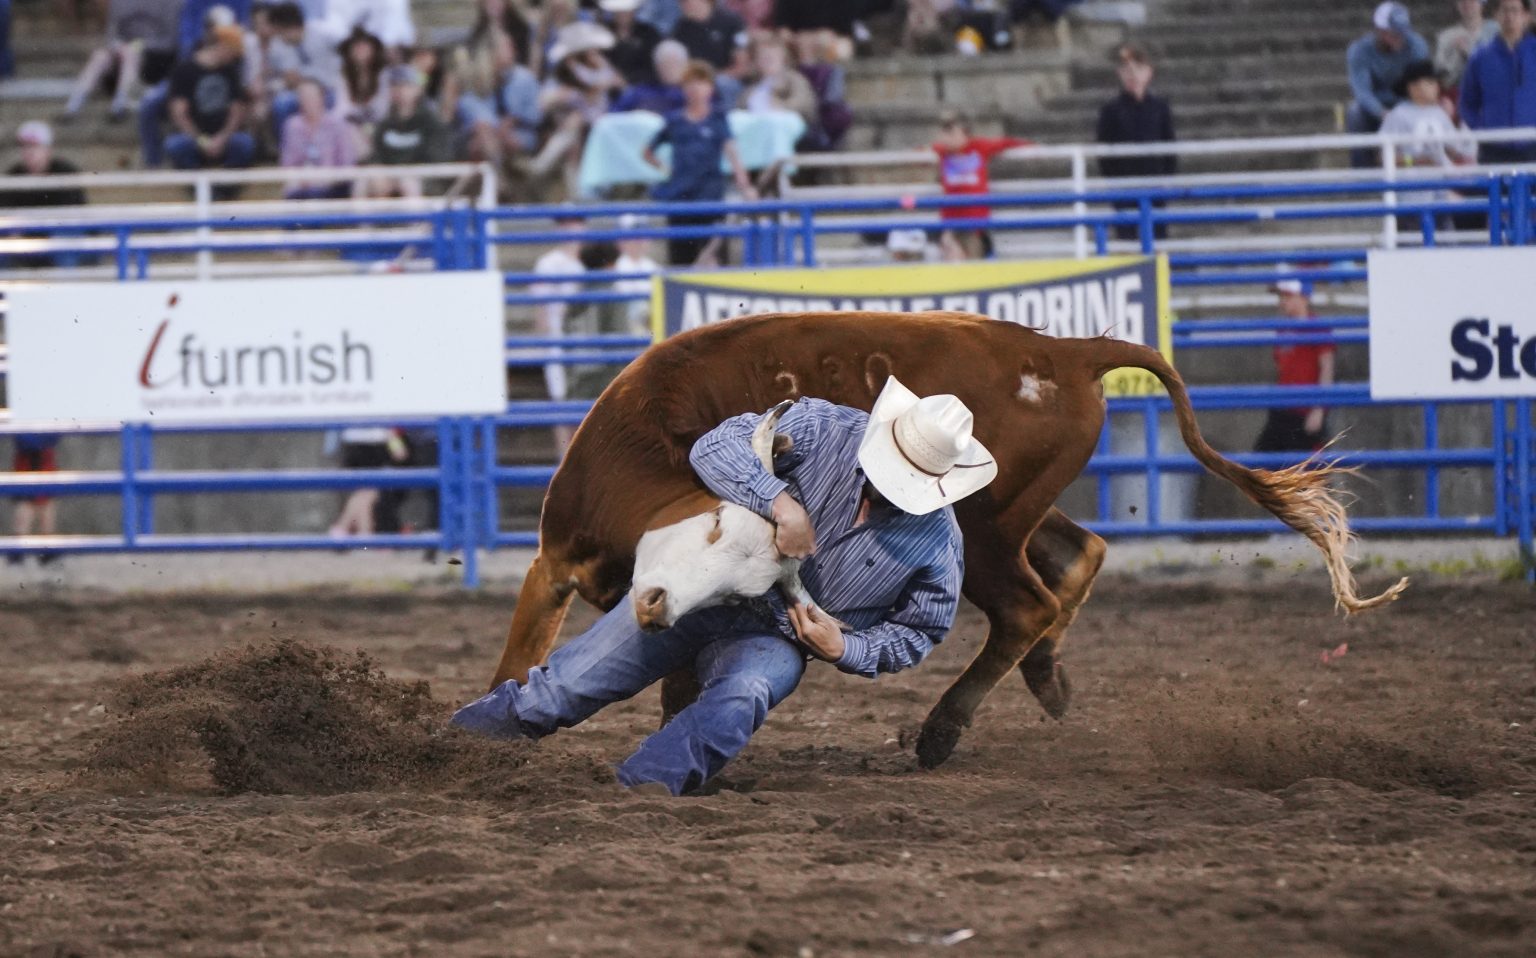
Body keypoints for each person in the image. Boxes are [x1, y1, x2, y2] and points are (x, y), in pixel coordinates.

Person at [451, 378, 996, 796]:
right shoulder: (825, 428)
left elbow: (919, 631)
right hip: (706, 585)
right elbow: (716, 447)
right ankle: (445, 747)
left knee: (743, 694)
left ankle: (639, 791)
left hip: (778, 637)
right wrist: (780, 503)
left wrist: (847, 648)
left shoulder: (937, 542)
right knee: (566, 686)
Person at [644, 59, 757, 266]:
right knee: (681, 261)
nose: (696, 88)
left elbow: (732, 152)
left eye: (701, 82)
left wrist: (745, 186)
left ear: (710, 88)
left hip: (710, 197)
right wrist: (667, 171)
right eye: (691, 83)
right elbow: (648, 152)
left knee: (714, 257)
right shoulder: (674, 121)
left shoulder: (718, 119)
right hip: (680, 199)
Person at [1095, 42, 1176, 241]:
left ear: (1149, 72)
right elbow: (1104, 151)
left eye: (1138, 69)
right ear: (1119, 74)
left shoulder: (1159, 108)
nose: (1132, 75)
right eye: (1126, 70)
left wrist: (1164, 178)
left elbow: (1170, 145)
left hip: (1154, 184)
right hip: (1124, 186)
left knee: (1158, 235)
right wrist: (1115, 182)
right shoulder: (1111, 110)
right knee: (1127, 238)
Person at [1380, 59, 1475, 219]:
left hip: (1441, 188)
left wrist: (1451, 152)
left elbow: (1454, 149)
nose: (1437, 87)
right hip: (1410, 192)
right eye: (1430, 83)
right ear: (1413, 88)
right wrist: (1415, 160)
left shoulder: (1439, 114)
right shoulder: (1398, 115)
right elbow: (1383, 156)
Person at [931, 110, 1028, 260]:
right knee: (952, 259)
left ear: (965, 133)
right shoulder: (941, 152)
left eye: (951, 132)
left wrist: (1033, 147)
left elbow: (1007, 143)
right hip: (950, 223)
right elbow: (921, 152)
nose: (946, 138)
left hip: (975, 223)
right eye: (945, 132)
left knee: (973, 261)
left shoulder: (979, 147)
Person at [61, 0, 180, 123]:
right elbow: (112, 33)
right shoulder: (118, 2)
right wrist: (116, 46)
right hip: (124, 52)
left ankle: (120, 106)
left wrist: (139, 45)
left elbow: (170, 40)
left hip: (157, 55)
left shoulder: (170, 3)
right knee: (100, 56)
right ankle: (72, 108)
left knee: (130, 54)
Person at [1254, 279, 1335, 454]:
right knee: (1262, 460)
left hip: (1305, 411)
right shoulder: (1283, 329)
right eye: (1281, 297)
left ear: (1304, 298)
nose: (1283, 301)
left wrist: (1319, 409)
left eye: (1288, 296)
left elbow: (1327, 368)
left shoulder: (1318, 327)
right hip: (1282, 408)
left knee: (1304, 464)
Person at [1346, 2, 1430, 167]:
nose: (1400, 37)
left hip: (1408, 104)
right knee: (1355, 112)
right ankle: (1362, 173)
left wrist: (1405, 111)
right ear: (1380, 30)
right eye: (1394, 33)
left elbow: (1422, 83)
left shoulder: (1416, 45)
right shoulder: (1359, 50)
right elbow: (1362, 91)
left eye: (1402, 31)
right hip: (1376, 107)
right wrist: (1381, 112)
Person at [163, 25, 257, 172]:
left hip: (225, 136)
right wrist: (201, 140)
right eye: (233, 52)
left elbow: (237, 111)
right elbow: (179, 113)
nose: (235, 58)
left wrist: (222, 138)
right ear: (222, 46)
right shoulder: (184, 70)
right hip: (194, 136)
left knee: (244, 143)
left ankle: (225, 185)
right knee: (176, 145)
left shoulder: (230, 71)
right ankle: (195, 182)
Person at [532, 214, 588, 452]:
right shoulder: (548, 263)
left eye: (575, 223)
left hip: (584, 344)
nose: (571, 229)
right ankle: (564, 463)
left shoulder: (588, 262)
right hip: (559, 343)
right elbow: (541, 312)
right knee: (562, 407)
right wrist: (544, 343)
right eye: (565, 224)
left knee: (583, 409)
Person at [1459, 0, 1536, 164]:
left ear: (1526, 16)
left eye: (1515, 10)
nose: (1510, 16)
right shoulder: (1481, 57)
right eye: (1505, 10)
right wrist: (1482, 130)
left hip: (1532, 144)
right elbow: (1467, 102)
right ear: (1496, 15)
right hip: (1493, 148)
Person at [4, 122, 89, 270]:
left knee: (65, 238)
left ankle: (64, 282)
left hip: (57, 236)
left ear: (48, 149)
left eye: (35, 146)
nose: (29, 152)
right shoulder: (13, 176)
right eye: (24, 147)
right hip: (25, 239)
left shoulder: (65, 172)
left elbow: (73, 215)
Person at [365, 63, 449, 196]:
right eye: (396, 85)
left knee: (408, 184)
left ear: (418, 89)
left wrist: (405, 173)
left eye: (407, 85)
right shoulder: (385, 124)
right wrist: (379, 170)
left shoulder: (431, 122)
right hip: (389, 177)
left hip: (424, 179)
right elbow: (375, 155)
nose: (401, 91)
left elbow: (438, 157)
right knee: (366, 182)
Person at [263, 1, 344, 137]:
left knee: (336, 103)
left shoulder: (323, 34)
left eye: (281, 32)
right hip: (298, 93)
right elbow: (290, 79)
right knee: (281, 105)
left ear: (292, 27)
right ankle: (287, 146)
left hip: (329, 90)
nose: (279, 36)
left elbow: (347, 53)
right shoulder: (279, 46)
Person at [279, 76, 357, 198]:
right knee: (292, 191)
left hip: (333, 185)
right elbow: (288, 164)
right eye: (303, 97)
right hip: (302, 185)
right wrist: (304, 178)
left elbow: (347, 164)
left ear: (322, 98)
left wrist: (325, 178)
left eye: (311, 96)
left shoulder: (338, 124)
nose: (308, 101)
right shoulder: (292, 125)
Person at [670, 0, 747, 107]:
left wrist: (714, 77)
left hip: (724, 77)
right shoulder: (681, 28)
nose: (684, 5)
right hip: (694, 78)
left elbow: (741, 65)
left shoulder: (731, 21)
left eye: (688, 2)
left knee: (724, 84)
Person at [739, 33, 816, 128]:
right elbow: (740, 110)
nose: (766, 59)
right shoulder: (752, 84)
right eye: (762, 57)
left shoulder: (795, 80)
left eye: (771, 57)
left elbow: (804, 105)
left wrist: (781, 107)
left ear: (783, 58)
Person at [9, 432, 63, 567]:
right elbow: (21, 439)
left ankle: (46, 551)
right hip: (27, 465)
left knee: (45, 511)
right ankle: (19, 552)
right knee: (25, 510)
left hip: (43, 465)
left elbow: (54, 436)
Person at [1435, 0, 1498, 93]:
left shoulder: (1496, 31)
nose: (1467, 3)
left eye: (1472, 1)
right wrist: (1454, 58)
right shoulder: (1446, 36)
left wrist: (1468, 53)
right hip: (1457, 93)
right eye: (1462, 1)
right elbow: (1441, 75)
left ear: (1482, 3)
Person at [610, 37, 687, 113]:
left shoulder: (689, 93)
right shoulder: (640, 92)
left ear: (685, 65)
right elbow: (614, 113)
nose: (669, 68)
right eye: (665, 64)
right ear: (657, 66)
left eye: (674, 63)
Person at [602, 0, 663, 85]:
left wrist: (626, 80)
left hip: (642, 87)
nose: (622, 14)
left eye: (626, 9)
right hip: (607, 85)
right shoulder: (602, 32)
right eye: (619, 9)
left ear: (634, 11)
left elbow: (655, 67)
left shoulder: (649, 34)